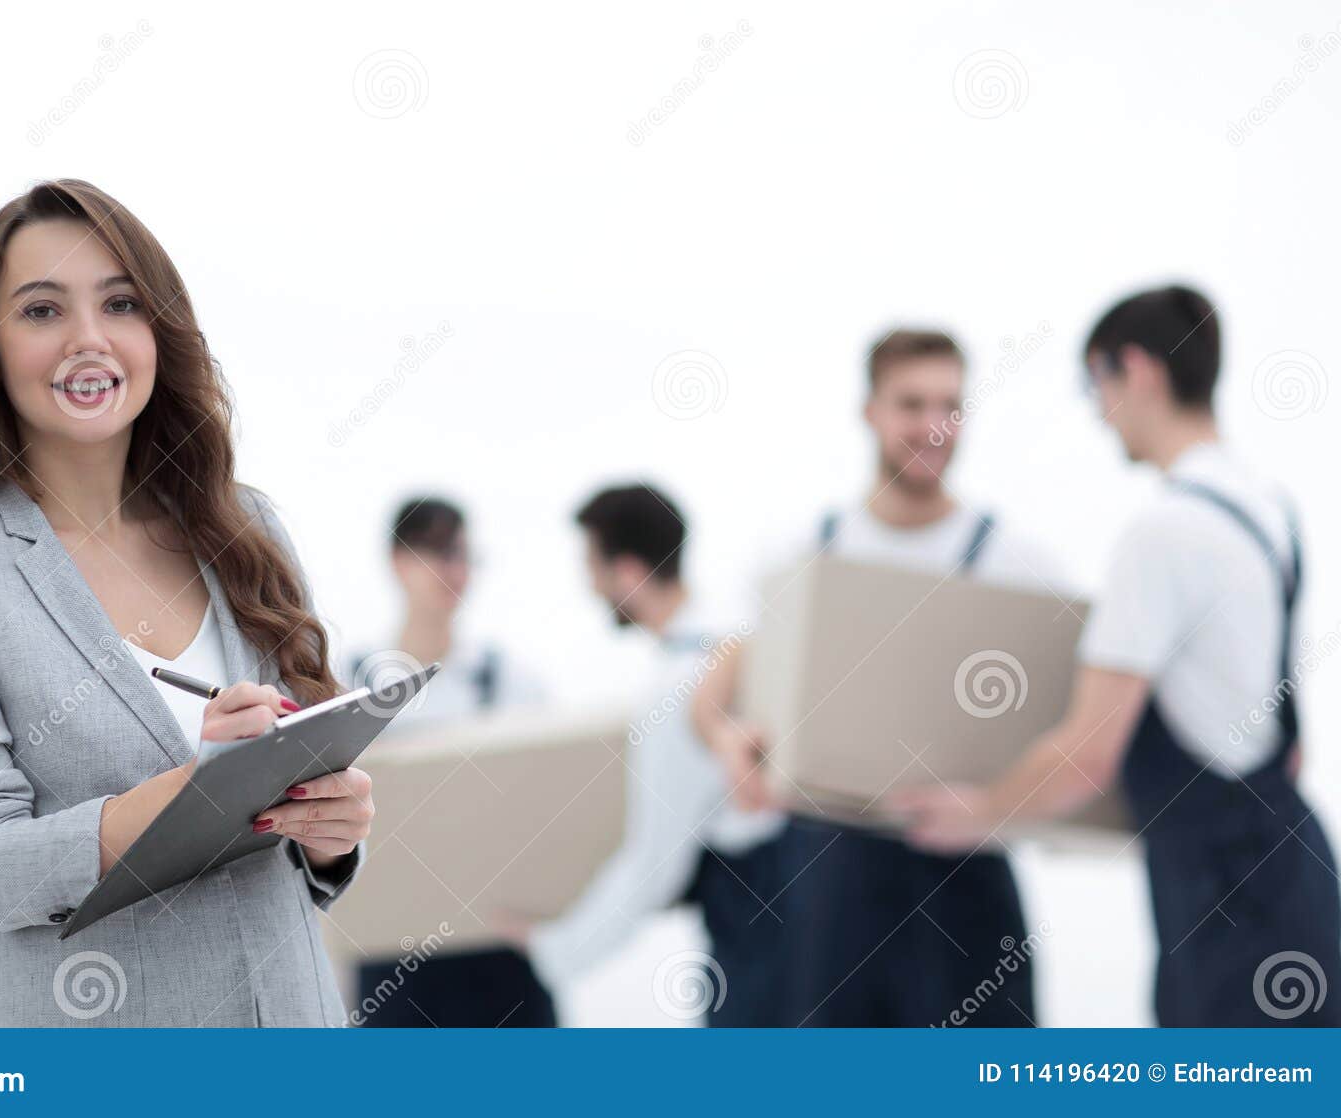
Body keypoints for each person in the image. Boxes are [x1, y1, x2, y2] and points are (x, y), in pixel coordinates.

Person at [0, 179, 373, 1027]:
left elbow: (299, 833)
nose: (88, 340)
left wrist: (333, 832)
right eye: (41, 311)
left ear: (157, 333)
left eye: (121, 303)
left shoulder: (244, 525)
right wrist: (195, 793)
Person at [893, 285, 1341, 1027]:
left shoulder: (1160, 534)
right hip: (1300, 888)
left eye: (1094, 386)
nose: (1100, 413)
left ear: (1134, 371)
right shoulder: (1271, 508)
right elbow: (1288, 746)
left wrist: (977, 812)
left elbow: (1086, 757)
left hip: (1226, 915)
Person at [692, 328, 1065, 1027]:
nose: (932, 426)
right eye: (911, 403)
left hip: (966, 883)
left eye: (950, 406)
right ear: (870, 411)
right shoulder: (808, 553)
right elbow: (711, 699)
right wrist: (728, 742)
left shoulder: (1021, 564)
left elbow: (1075, 730)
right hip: (826, 884)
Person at [500, 483, 804, 1026]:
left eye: (594, 570)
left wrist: (554, 947)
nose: (592, 589)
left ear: (629, 573)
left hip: (762, 947)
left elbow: (654, 865)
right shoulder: (740, 638)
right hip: (806, 923)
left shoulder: (678, 688)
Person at [346, 496, 553, 1027]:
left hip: (500, 950)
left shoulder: (512, 682)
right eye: (437, 551)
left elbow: (549, 809)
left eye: (462, 554)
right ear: (398, 562)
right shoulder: (346, 685)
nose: (454, 570)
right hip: (392, 957)